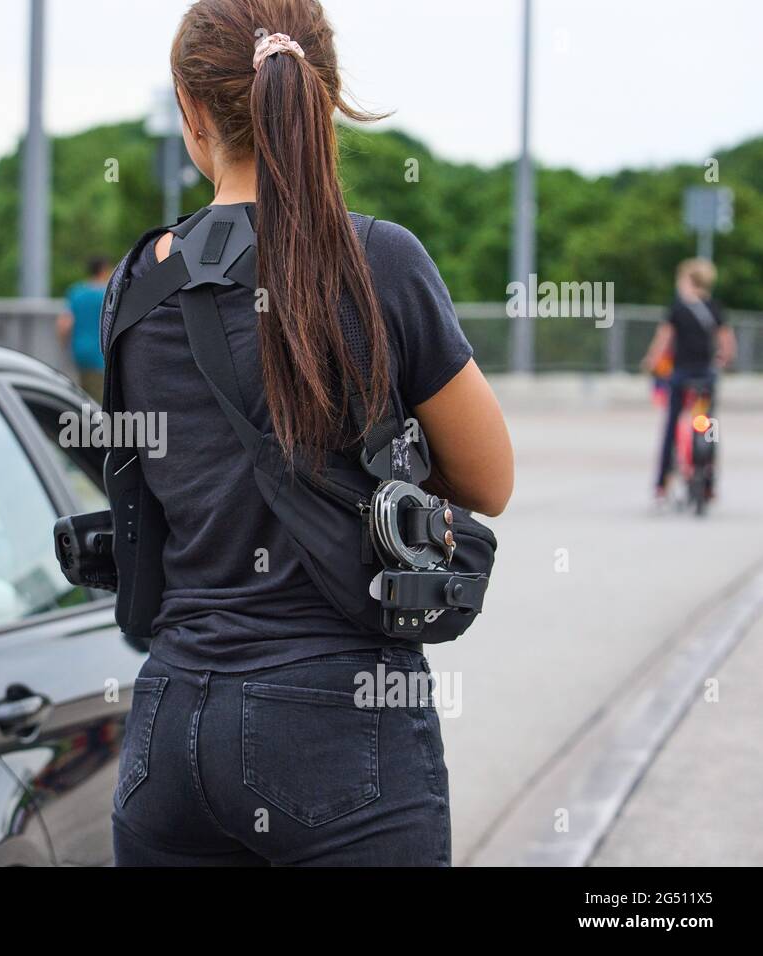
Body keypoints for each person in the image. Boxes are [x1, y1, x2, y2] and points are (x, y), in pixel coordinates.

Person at [105, 0, 513, 866]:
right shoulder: (379, 261)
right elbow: (490, 479)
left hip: (167, 728)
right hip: (338, 727)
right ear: (321, 98)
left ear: (190, 107)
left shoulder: (137, 285)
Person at [641, 258, 735, 503]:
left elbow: (663, 340)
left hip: (681, 374)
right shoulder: (714, 307)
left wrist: (651, 363)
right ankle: (709, 483)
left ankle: (661, 483)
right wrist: (724, 361)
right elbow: (726, 342)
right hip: (706, 374)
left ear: (688, 281)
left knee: (672, 425)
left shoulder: (677, 308)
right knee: (710, 425)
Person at [57, 257, 112, 397]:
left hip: (80, 351)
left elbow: (64, 323)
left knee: (83, 394)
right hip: (100, 354)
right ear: (104, 270)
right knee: (98, 398)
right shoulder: (107, 294)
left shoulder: (76, 291)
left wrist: (65, 346)